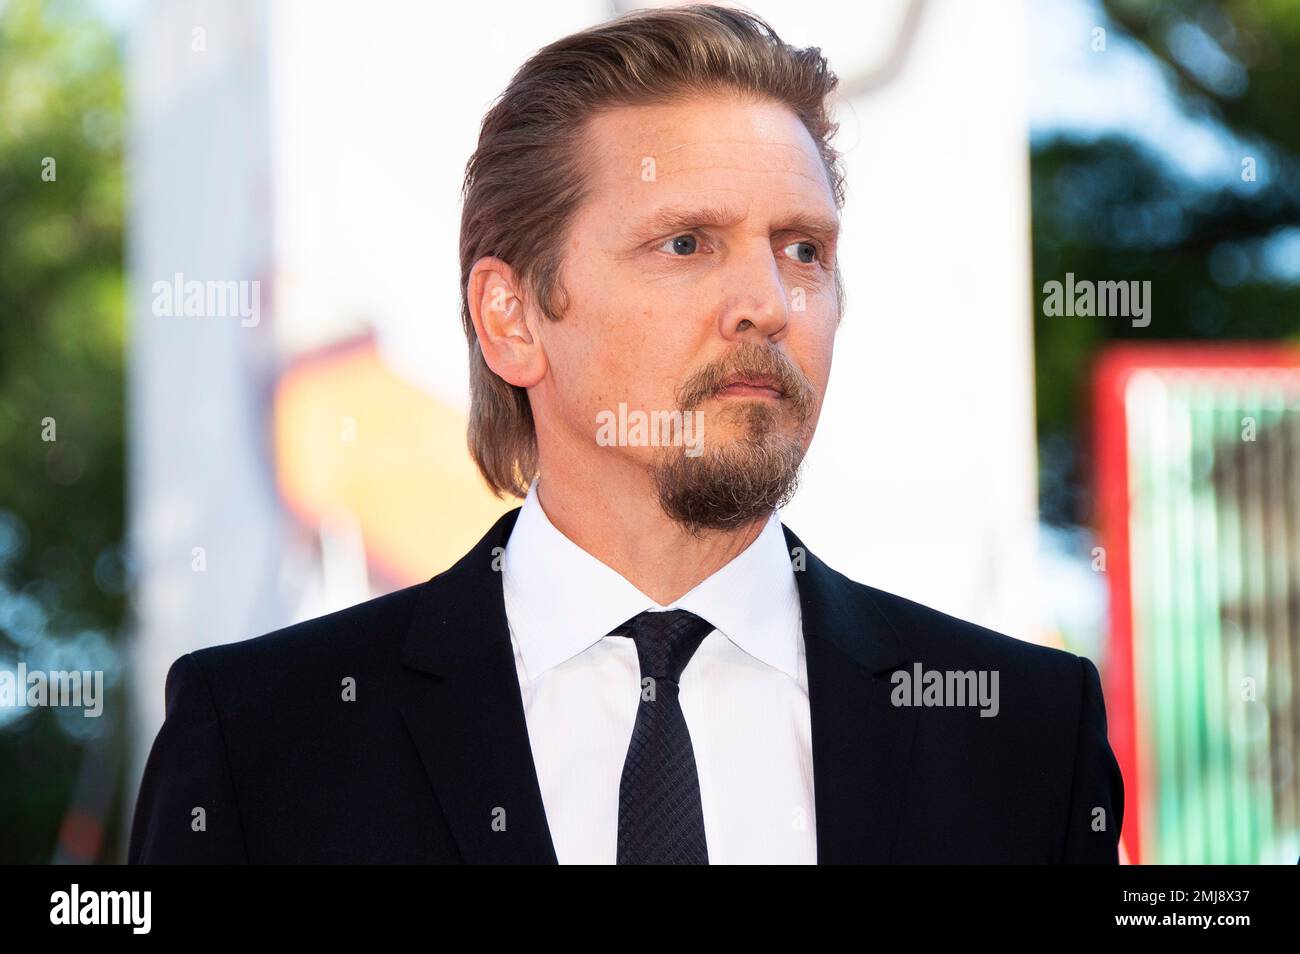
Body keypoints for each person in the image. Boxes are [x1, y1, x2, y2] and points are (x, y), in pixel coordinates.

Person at [129, 4, 1122, 864]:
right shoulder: (260, 737)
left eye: (801, 249)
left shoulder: (1025, 735)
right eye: (686, 243)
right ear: (512, 318)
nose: (767, 302)